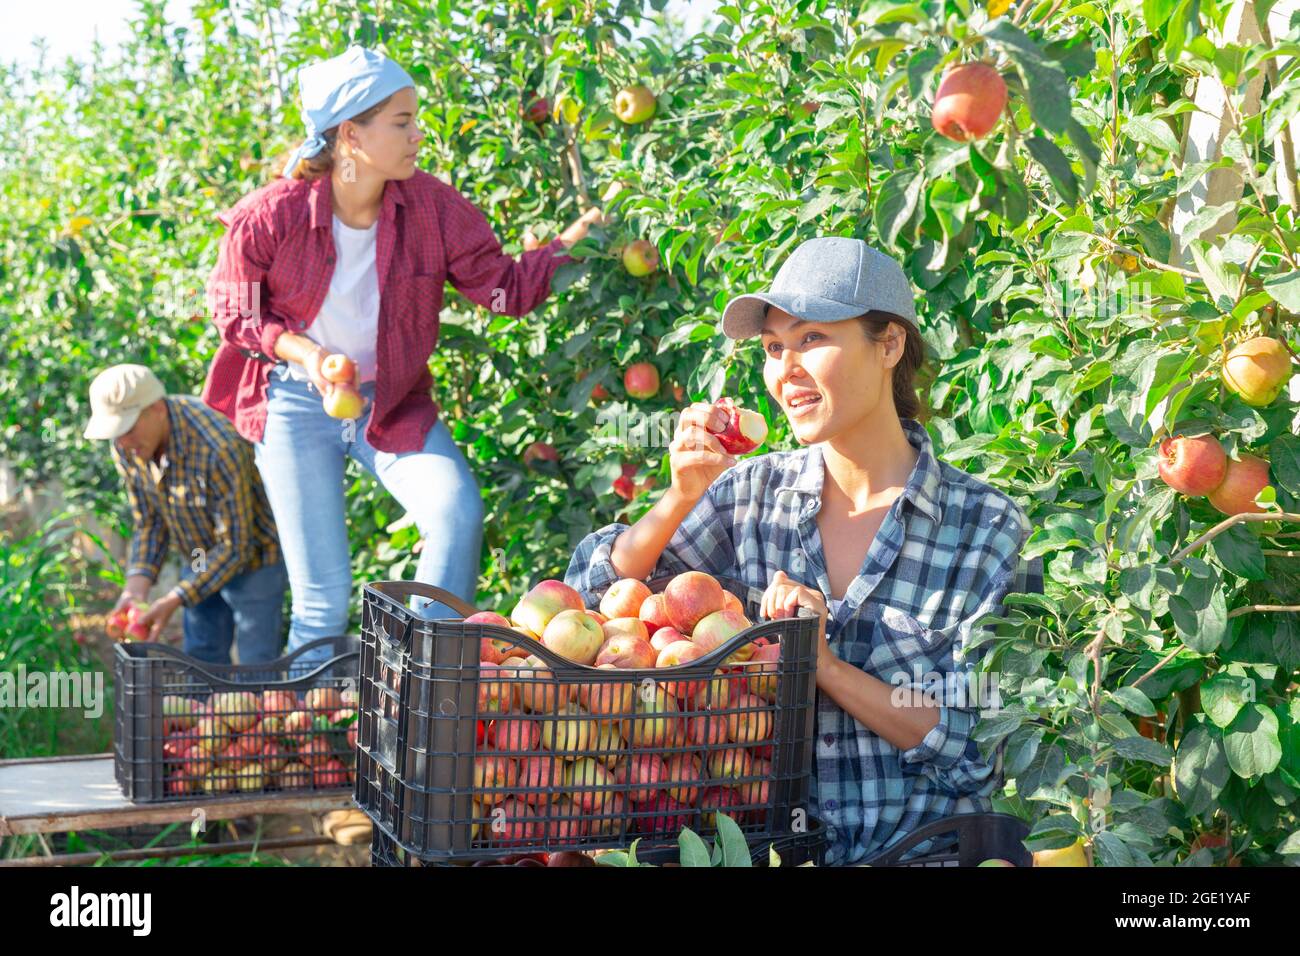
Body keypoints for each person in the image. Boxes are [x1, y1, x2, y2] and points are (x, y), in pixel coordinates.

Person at [564, 237, 1044, 865]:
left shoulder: (984, 527)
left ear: (890, 345)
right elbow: (591, 599)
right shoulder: (752, 495)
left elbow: (989, 749)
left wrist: (824, 667)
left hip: (924, 855)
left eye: (811, 338)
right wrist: (677, 498)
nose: (785, 369)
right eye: (772, 348)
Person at [201, 47, 602, 664]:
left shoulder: (430, 208)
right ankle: (310, 738)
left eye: (416, 119)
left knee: (456, 511)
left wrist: (570, 246)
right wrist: (307, 355)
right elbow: (235, 311)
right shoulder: (272, 215)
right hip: (292, 402)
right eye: (402, 122)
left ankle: (420, 685)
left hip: (390, 404)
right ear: (350, 135)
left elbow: (503, 289)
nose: (419, 134)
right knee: (322, 600)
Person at [85, 364, 287, 665]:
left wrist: (175, 598)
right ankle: (207, 711)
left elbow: (237, 546)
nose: (122, 442)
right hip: (198, 554)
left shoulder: (218, 445)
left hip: (255, 559)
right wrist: (136, 586)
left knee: (256, 666)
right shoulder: (129, 448)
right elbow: (150, 520)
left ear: (156, 408)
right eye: (116, 433)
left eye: (127, 429)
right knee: (202, 659)